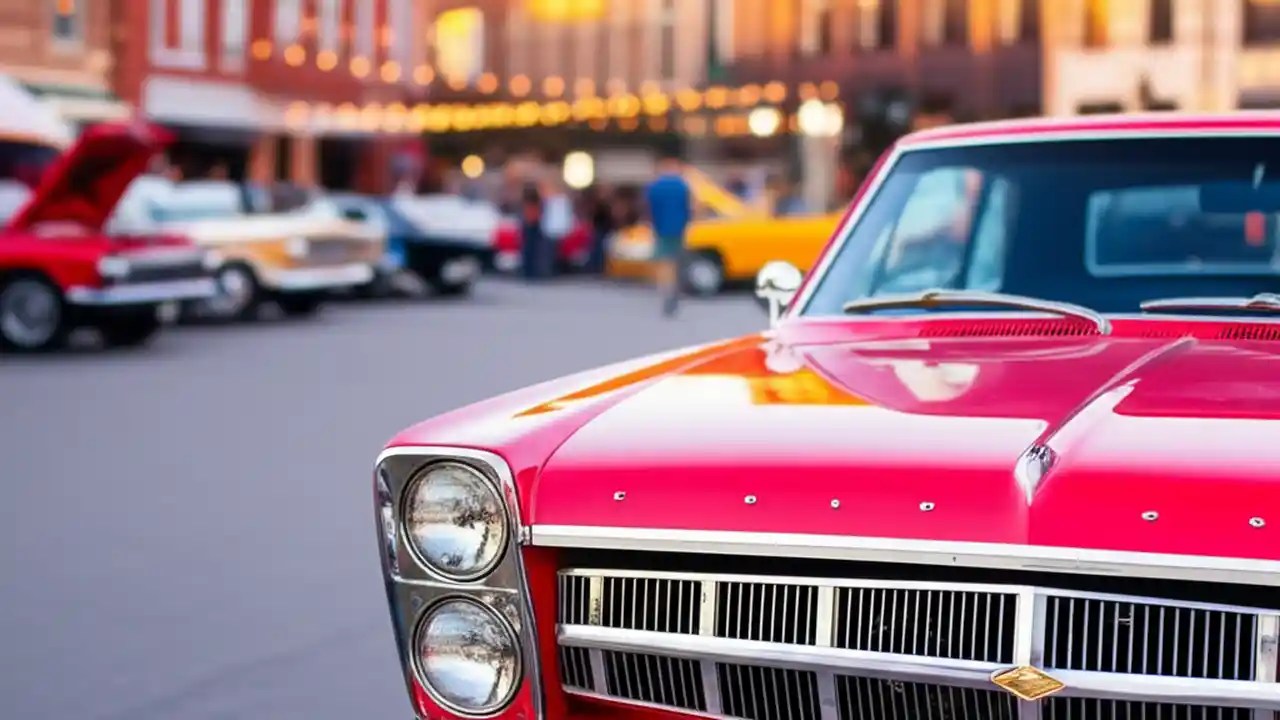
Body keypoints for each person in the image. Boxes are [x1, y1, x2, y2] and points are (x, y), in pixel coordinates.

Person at [645, 153, 693, 317]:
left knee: (664, 263)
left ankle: (665, 291)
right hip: (679, 229)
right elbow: (688, 208)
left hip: (661, 229)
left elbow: (650, 209)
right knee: (676, 262)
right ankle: (675, 291)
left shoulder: (655, 186)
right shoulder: (682, 185)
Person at [519, 183, 546, 282]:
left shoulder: (532, 202)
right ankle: (530, 271)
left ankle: (530, 271)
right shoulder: (534, 202)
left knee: (530, 250)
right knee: (531, 250)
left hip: (532, 225)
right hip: (532, 225)